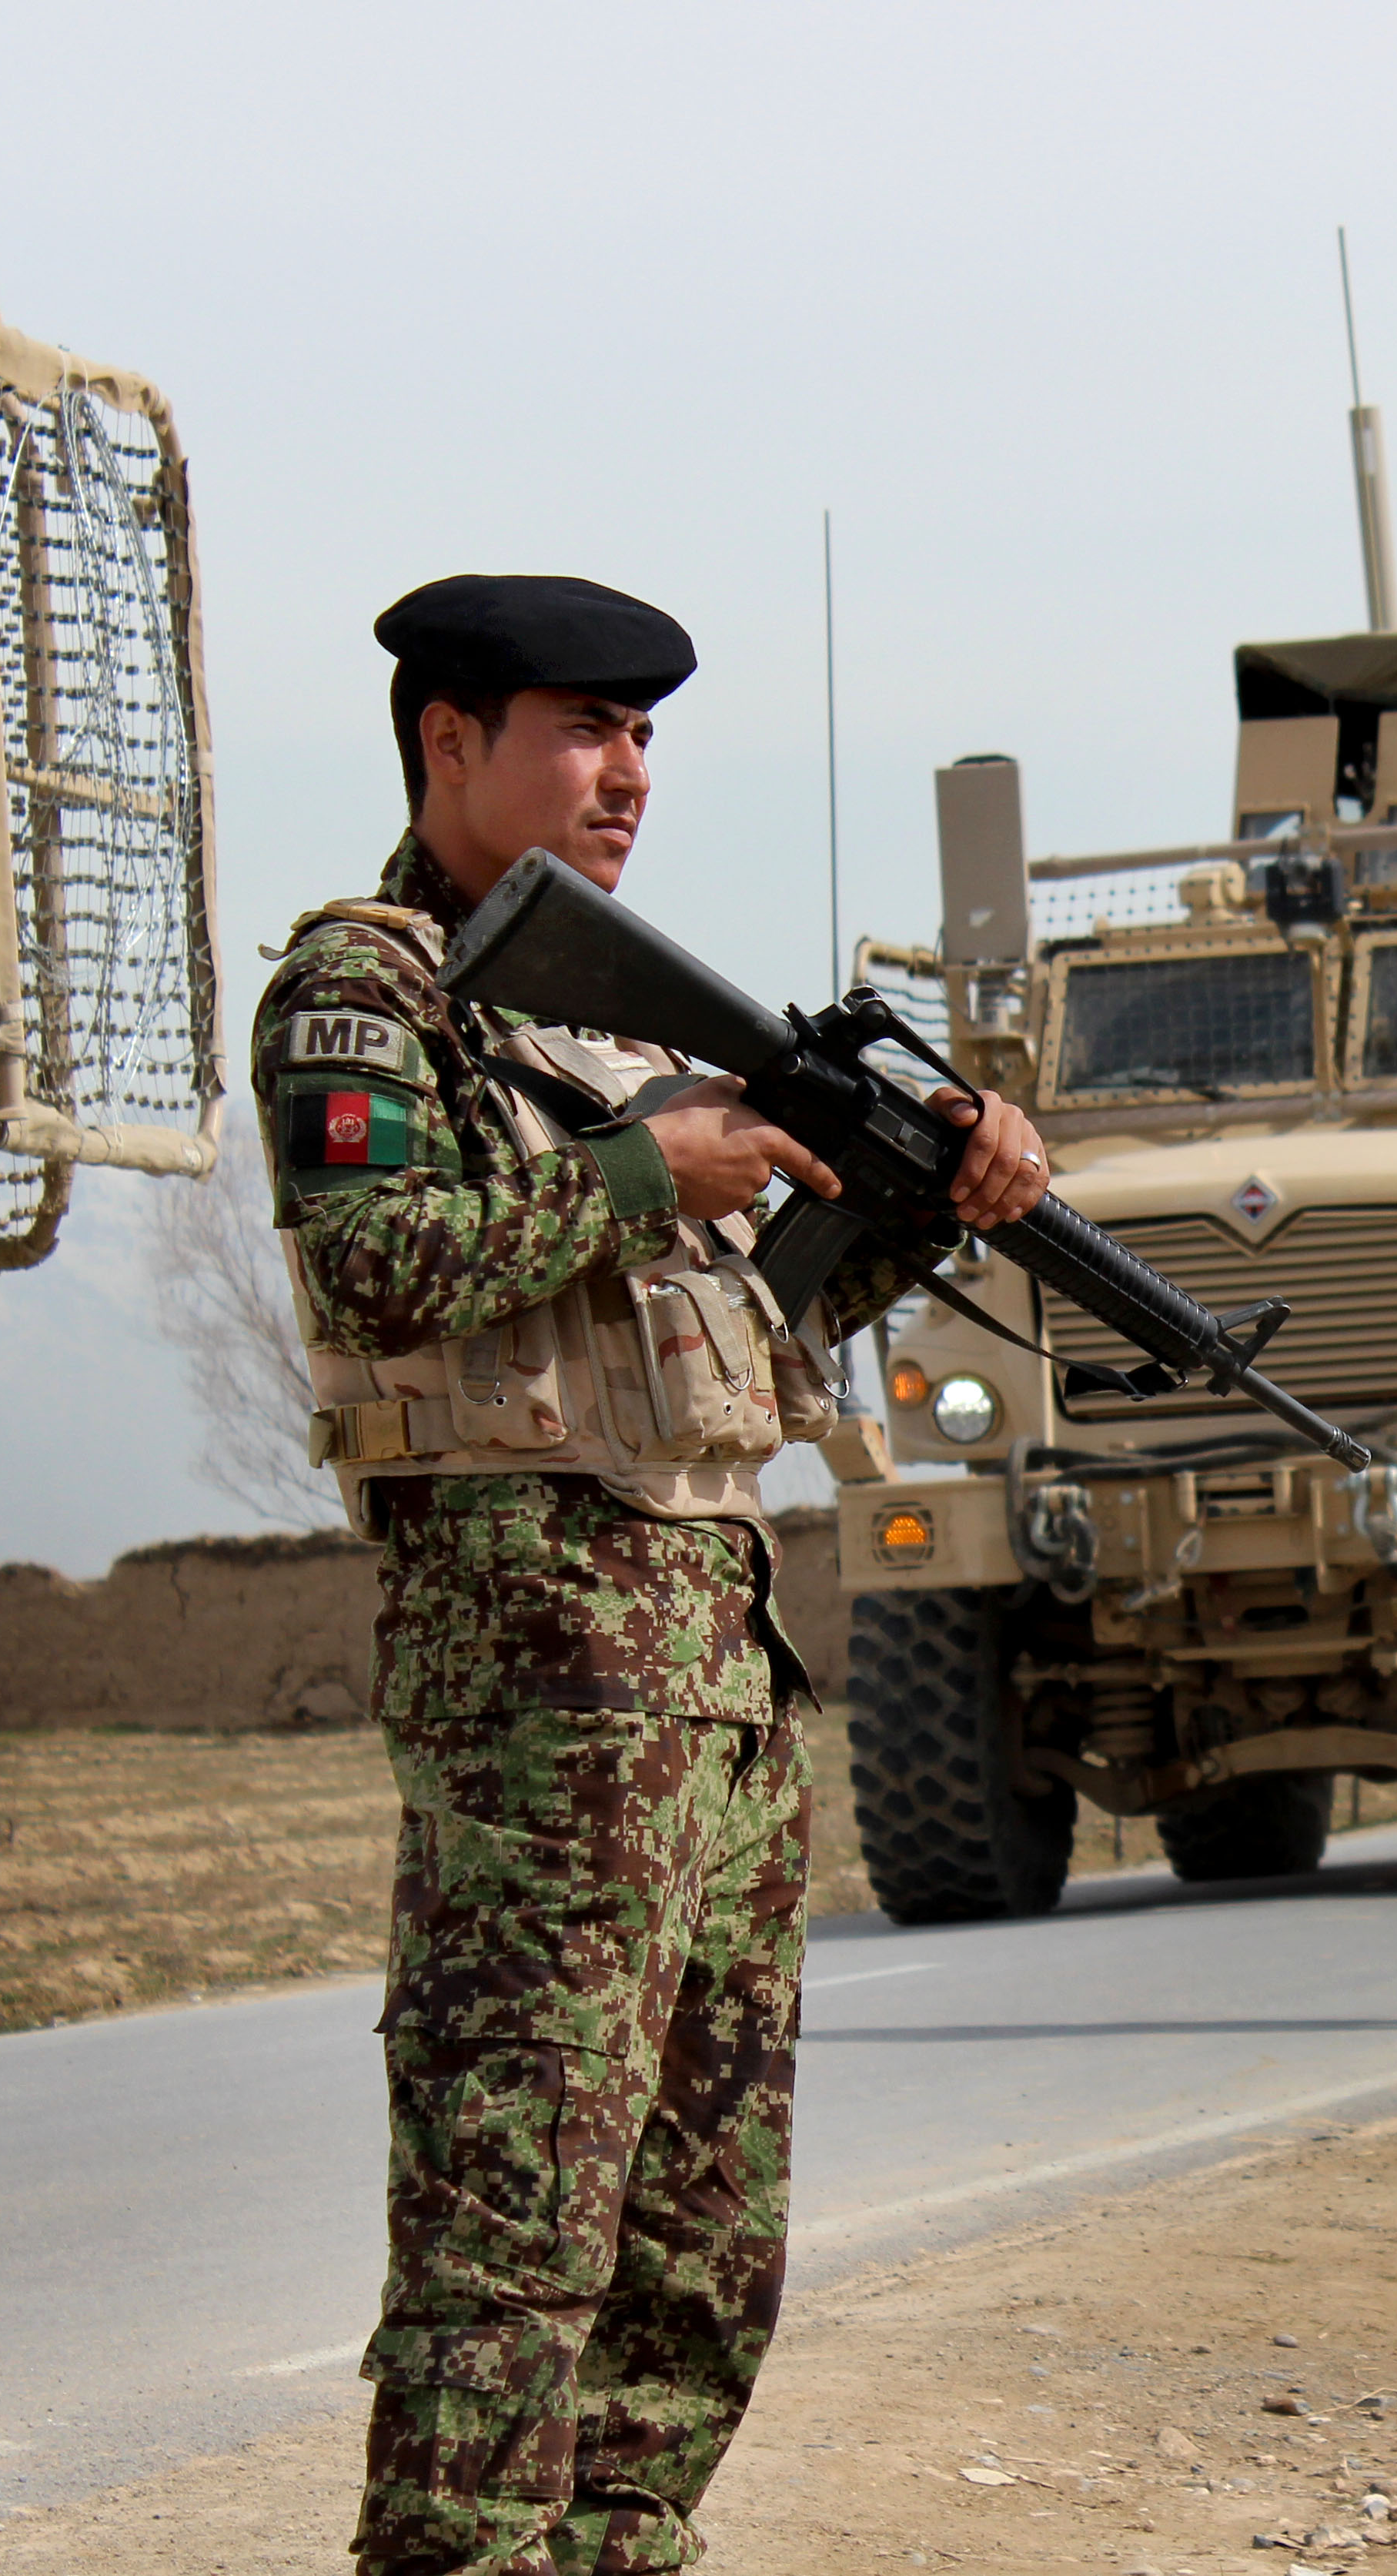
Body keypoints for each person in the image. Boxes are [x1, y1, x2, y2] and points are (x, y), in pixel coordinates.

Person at [265, 573, 1051, 2576]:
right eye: (580, 731)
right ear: (448, 739)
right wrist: (651, 1169)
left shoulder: (612, 1021)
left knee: (697, 2264)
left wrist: (913, 1193)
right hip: (542, 1711)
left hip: (715, 1702)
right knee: (511, 2253)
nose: (624, 777)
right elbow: (380, 1267)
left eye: (642, 741)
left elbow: (754, 1343)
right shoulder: (368, 998)